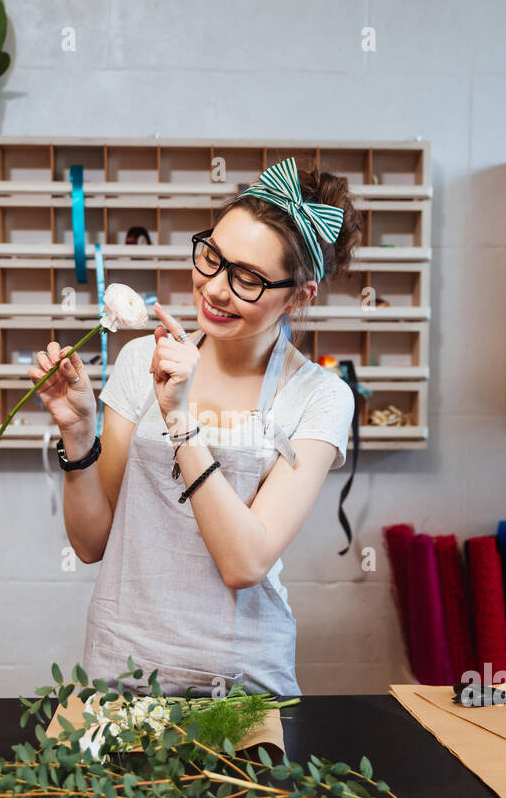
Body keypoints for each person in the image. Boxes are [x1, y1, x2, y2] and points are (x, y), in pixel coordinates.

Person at [29, 157, 362, 697]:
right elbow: (92, 543)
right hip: (121, 669)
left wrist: (181, 420)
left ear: (301, 295)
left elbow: (245, 562)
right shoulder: (142, 360)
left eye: (248, 278)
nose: (216, 288)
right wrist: (78, 434)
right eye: (212, 257)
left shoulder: (320, 397)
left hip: (241, 684)